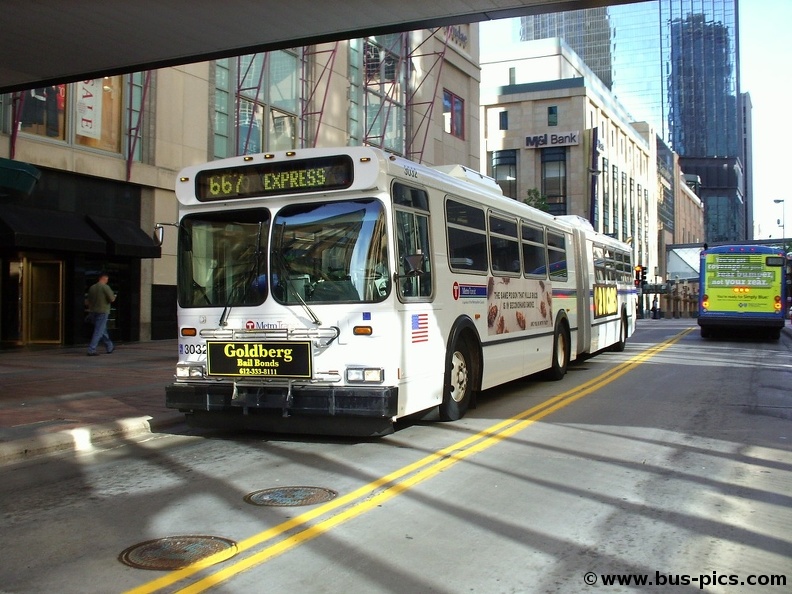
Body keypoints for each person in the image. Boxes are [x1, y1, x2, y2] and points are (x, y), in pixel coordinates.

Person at [85, 272, 116, 356]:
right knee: (98, 331)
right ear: (105, 279)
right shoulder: (105, 287)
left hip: (93, 311)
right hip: (103, 311)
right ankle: (91, 349)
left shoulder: (92, 287)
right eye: (107, 279)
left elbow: (88, 301)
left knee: (102, 329)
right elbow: (112, 299)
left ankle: (109, 346)